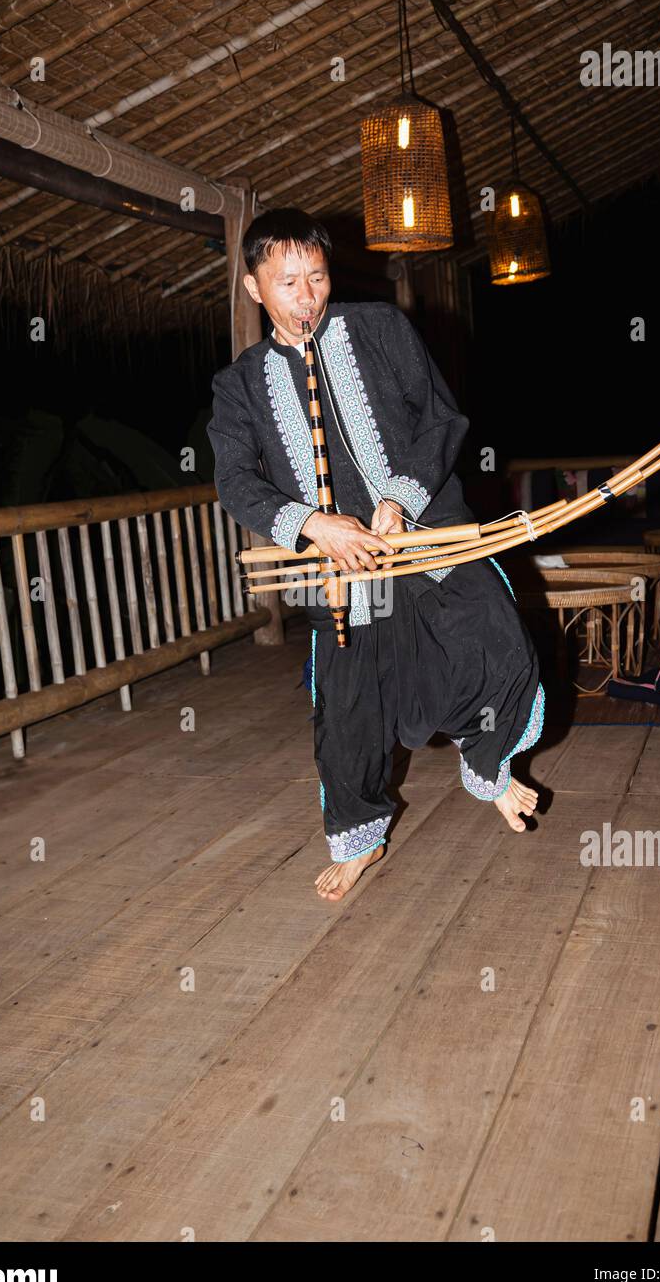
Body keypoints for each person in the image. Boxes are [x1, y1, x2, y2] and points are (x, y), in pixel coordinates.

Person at [207, 208, 543, 902]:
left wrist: (399, 496)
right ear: (252, 289)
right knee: (350, 704)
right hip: (341, 567)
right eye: (287, 282)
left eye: (317, 277)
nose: (307, 297)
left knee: (492, 636)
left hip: (425, 530)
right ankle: (362, 837)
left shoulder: (381, 329)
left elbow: (442, 417)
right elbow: (236, 480)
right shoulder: (238, 385)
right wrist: (312, 525)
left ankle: (490, 766)